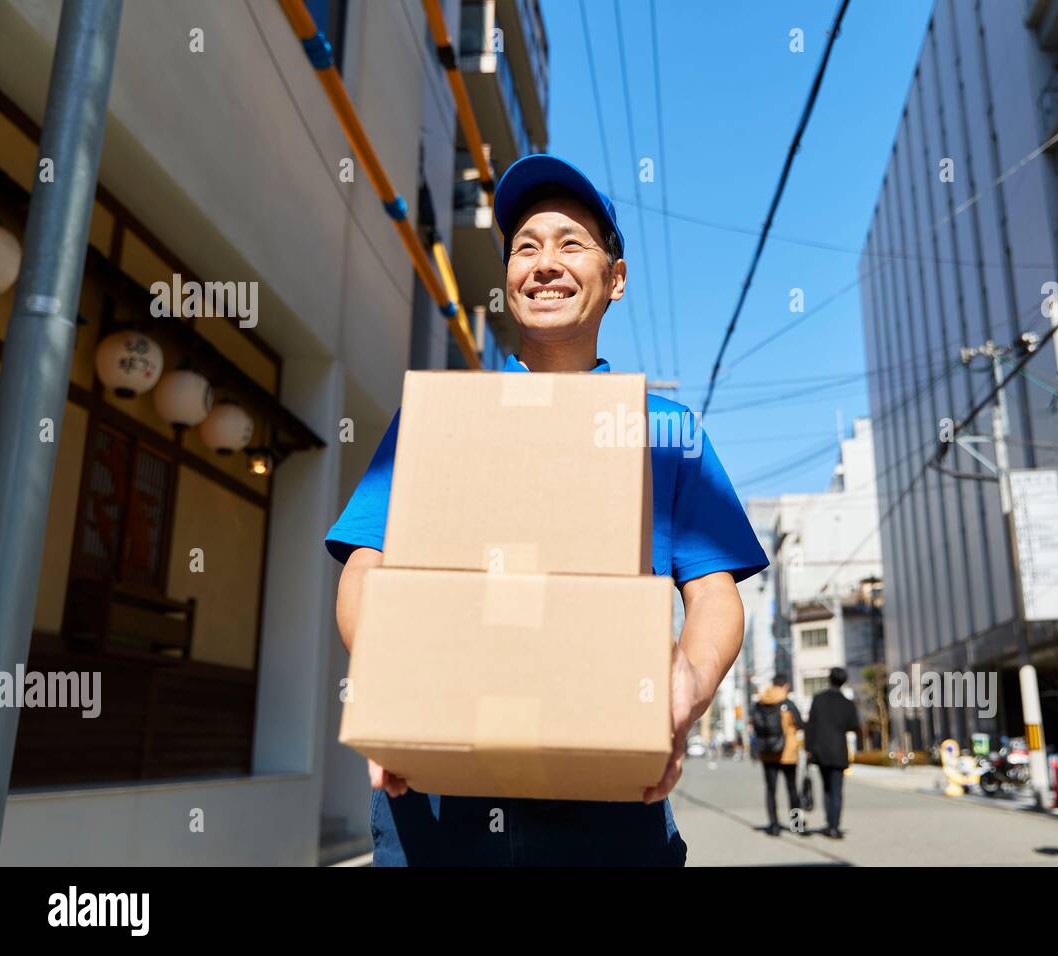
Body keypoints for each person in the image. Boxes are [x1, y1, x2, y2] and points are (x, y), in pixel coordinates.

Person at [326, 154, 769, 866]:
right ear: (507, 282)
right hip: (439, 812)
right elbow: (366, 568)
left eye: (570, 244)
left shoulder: (668, 433)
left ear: (614, 278)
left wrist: (683, 687)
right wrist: (387, 686)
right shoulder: (441, 420)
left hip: (612, 801)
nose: (544, 263)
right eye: (525, 248)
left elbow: (715, 595)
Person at [805, 666, 864, 839]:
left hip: (821, 749)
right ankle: (835, 826)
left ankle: (829, 822)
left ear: (829, 679)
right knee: (837, 790)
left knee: (826, 788)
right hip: (839, 750)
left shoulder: (818, 699)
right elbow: (853, 726)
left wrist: (808, 748)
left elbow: (811, 725)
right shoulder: (847, 703)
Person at [752, 675, 805, 836]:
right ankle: (796, 825)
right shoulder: (787, 703)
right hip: (787, 752)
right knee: (792, 789)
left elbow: (754, 725)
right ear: (785, 686)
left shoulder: (760, 703)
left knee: (770, 789)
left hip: (767, 751)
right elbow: (800, 724)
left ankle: (774, 825)